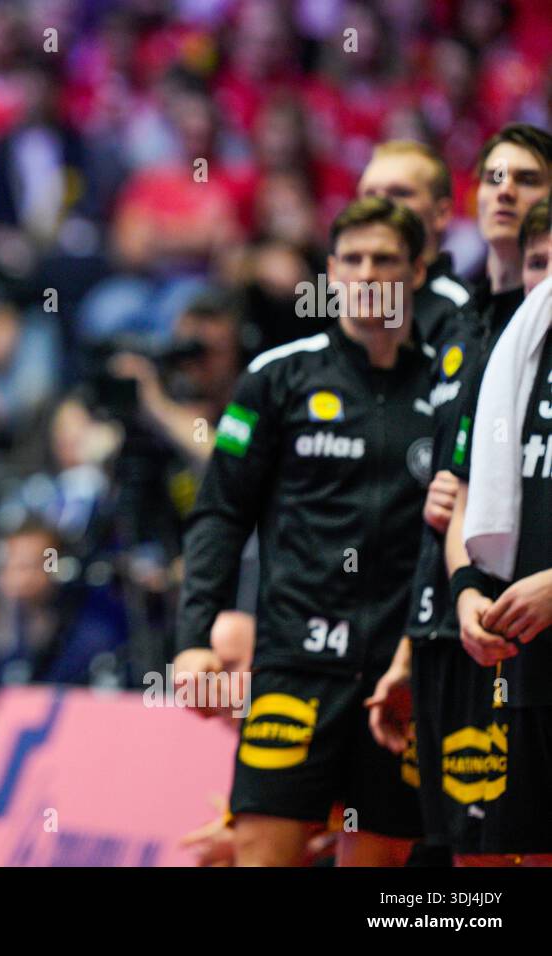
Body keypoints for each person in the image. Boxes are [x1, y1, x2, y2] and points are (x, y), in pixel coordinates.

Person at [173, 197, 436, 866]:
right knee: (260, 853)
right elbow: (219, 516)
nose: (368, 272)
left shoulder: (450, 383)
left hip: (400, 674)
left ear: (418, 270)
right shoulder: (277, 378)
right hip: (293, 667)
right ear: (331, 271)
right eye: (352, 258)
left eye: (386, 259)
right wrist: (195, 639)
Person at [367, 125, 552, 865]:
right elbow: (457, 492)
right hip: (457, 618)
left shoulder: (519, 323)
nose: (504, 191)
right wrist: (411, 652)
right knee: (460, 856)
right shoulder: (464, 325)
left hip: (520, 627)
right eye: (494, 176)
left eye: (527, 178)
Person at [433, 197, 552, 867]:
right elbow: (484, 500)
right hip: (529, 660)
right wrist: (471, 589)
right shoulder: (513, 364)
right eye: (538, 263)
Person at [357, 139, 470, 348]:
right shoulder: (342, 303)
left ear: (441, 213)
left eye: (400, 193)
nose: (379, 206)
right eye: (369, 195)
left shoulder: (463, 312)